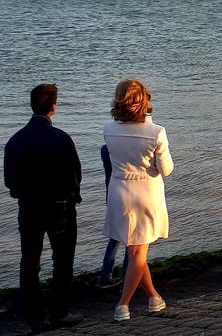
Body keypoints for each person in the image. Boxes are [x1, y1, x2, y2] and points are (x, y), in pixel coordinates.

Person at [3, 83, 83, 333]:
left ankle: (35, 316)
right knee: (63, 260)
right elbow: (75, 175)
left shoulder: (15, 140)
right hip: (60, 207)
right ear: (54, 107)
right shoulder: (61, 138)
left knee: (29, 261)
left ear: (31, 105)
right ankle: (59, 311)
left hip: (28, 207)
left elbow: (9, 181)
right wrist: (72, 197)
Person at [104, 79, 174, 321]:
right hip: (145, 193)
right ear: (145, 100)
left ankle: (154, 297)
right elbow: (166, 169)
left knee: (135, 251)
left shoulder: (109, 129)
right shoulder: (156, 132)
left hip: (119, 191)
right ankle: (123, 305)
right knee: (137, 253)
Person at [97, 144, 129, 287]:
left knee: (115, 237)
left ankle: (105, 275)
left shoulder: (106, 149)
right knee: (132, 239)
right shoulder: (124, 149)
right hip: (126, 195)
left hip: (111, 195)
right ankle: (128, 275)